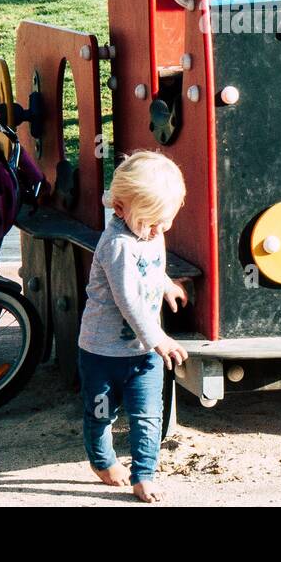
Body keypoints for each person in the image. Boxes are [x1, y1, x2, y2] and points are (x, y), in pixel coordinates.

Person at [78, 151, 189, 503]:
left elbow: (152, 266)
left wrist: (166, 283)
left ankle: (144, 475)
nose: (157, 230)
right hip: (102, 351)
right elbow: (129, 302)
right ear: (121, 208)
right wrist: (158, 338)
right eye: (150, 222)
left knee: (147, 415)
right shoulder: (117, 246)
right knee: (100, 413)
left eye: (165, 222)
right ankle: (103, 461)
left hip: (143, 354)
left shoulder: (150, 232)